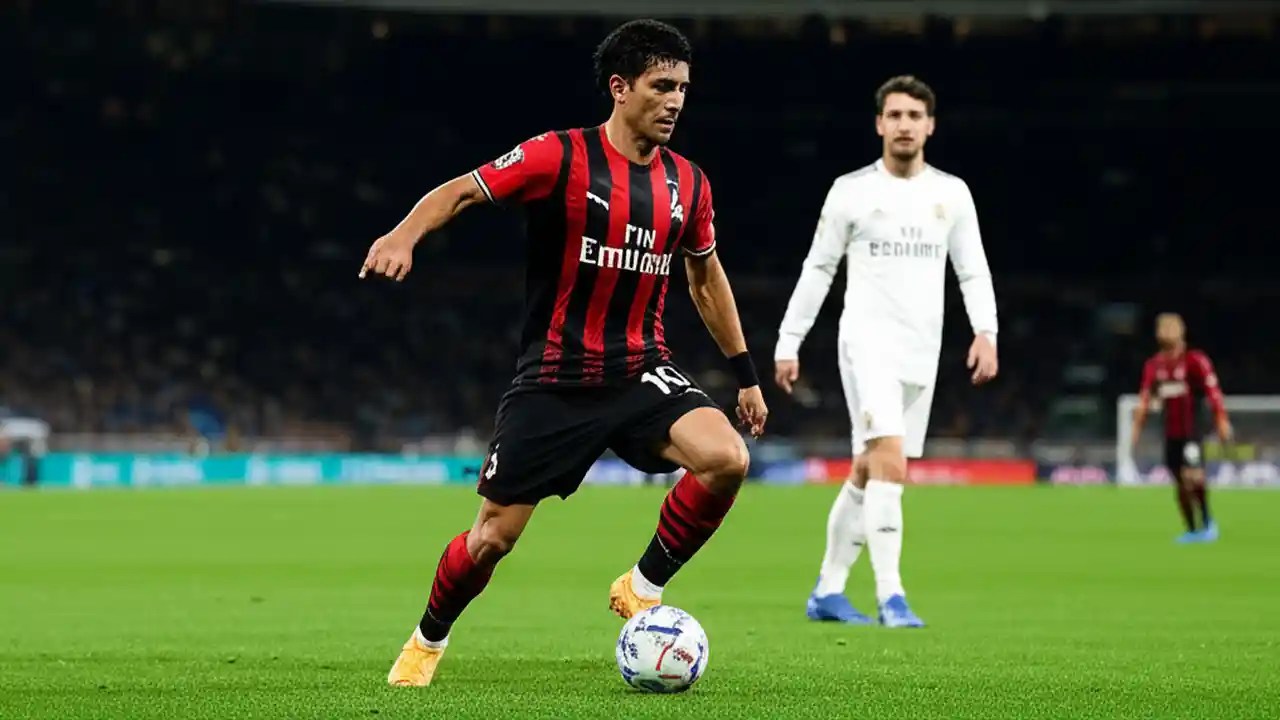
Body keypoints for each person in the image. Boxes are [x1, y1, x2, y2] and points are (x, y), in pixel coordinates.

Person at [360, 19, 768, 687]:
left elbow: (704, 277)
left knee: (726, 458)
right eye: (661, 86)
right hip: (554, 382)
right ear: (620, 88)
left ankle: (641, 586)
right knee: (492, 538)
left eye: (684, 88)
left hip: (640, 370)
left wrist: (745, 376)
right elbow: (461, 190)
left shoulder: (689, 184)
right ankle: (427, 640)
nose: (675, 101)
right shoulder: (559, 157)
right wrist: (404, 235)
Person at [773, 76, 998, 628]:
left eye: (913, 115)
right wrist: (788, 340)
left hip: (922, 348)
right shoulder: (850, 191)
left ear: (930, 126)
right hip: (866, 343)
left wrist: (986, 331)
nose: (903, 124)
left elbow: (972, 268)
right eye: (894, 114)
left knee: (868, 467)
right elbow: (818, 268)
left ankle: (827, 590)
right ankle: (891, 596)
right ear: (879, 124)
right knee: (891, 461)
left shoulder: (952, 194)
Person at [1131, 312, 1231, 543]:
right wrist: (1137, 427)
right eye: (1162, 328)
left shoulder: (1195, 360)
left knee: (1192, 476)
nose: (1166, 332)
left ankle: (1208, 523)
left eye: (1170, 328)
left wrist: (1221, 419)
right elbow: (1145, 398)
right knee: (1180, 482)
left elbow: (1213, 392)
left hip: (1193, 430)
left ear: (1181, 332)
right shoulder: (1154, 365)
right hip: (1171, 433)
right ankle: (1191, 529)